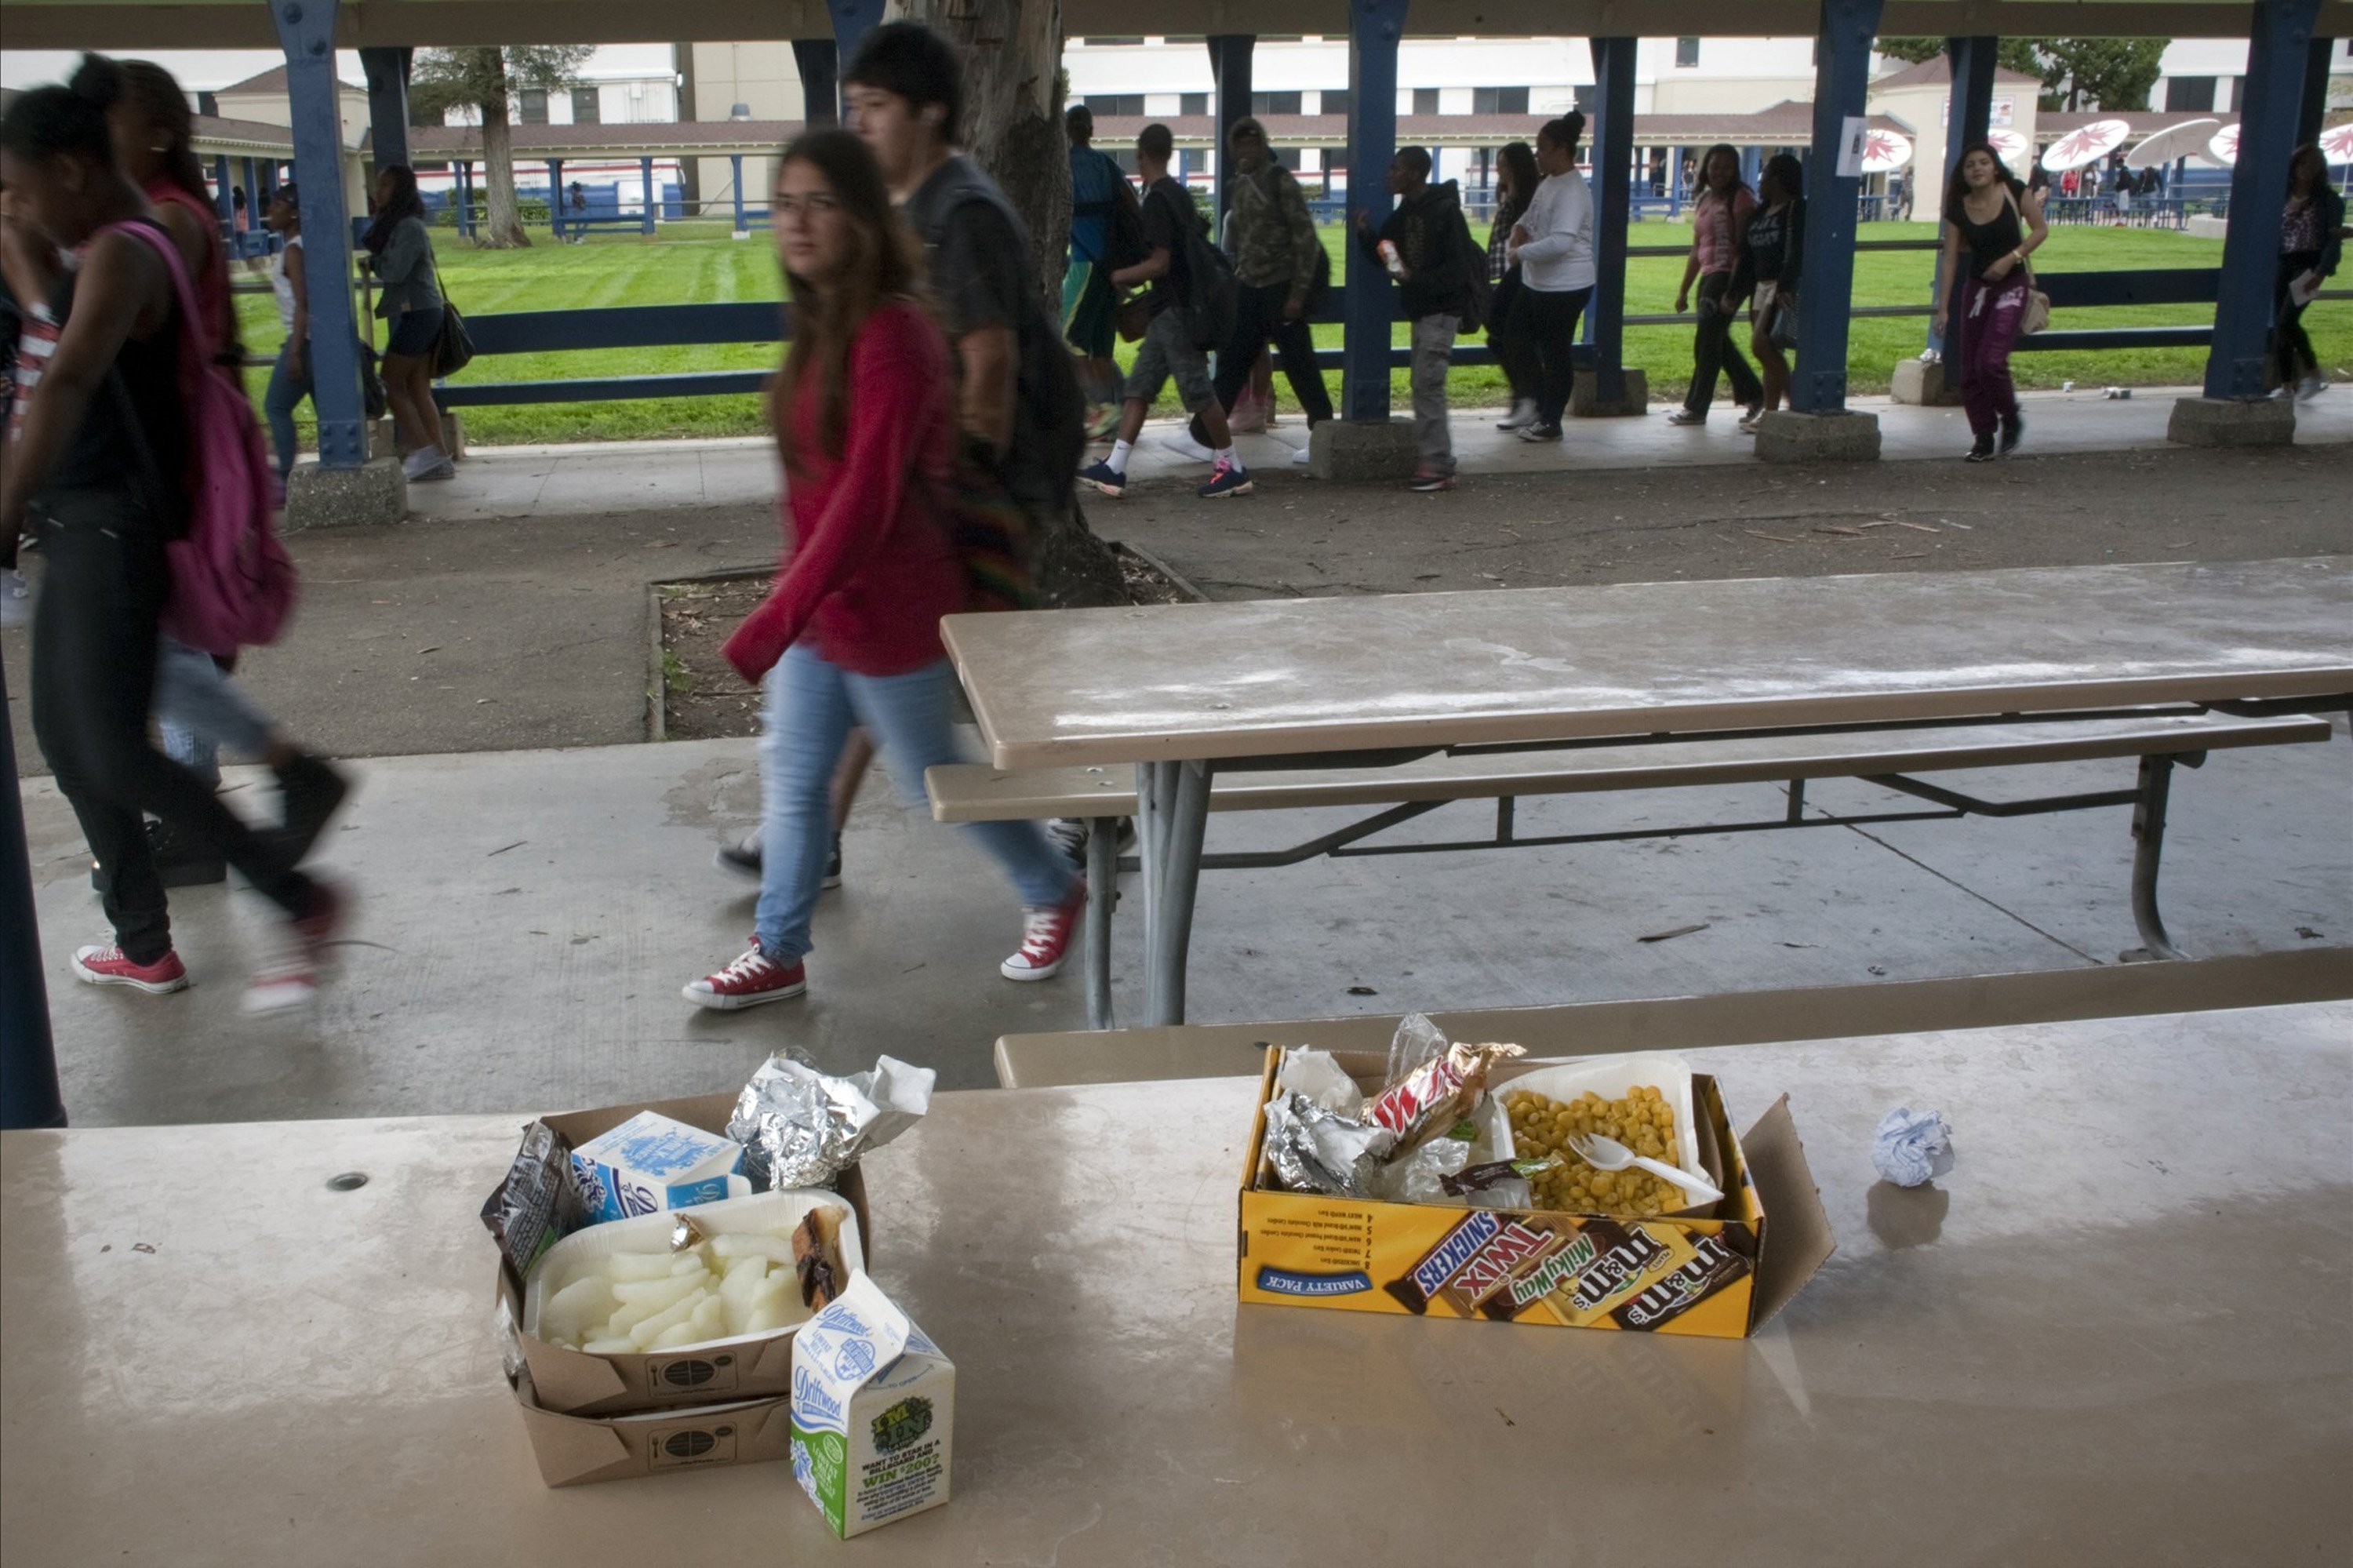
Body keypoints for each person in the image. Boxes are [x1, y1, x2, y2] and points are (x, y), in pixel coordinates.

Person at [681, 129, 1083, 1011]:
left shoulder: (895, 334)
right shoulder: (821, 325)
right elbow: (813, 505)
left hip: (897, 610)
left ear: (863, 218)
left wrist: (772, 618)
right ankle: (779, 950)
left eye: (821, 202)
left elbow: (866, 502)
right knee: (793, 777)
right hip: (830, 611)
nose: (798, 221)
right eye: (786, 203)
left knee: (933, 775)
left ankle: (1053, 889)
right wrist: (798, 610)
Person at [0, 82, 343, 1010]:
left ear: (72, 169)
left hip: (110, 530)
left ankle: (295, 891)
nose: (18, 209)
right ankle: (155, 934)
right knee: (75, 747)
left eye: (24, 191)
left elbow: (66, 380)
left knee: (106, 748)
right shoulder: (103, 248)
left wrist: (3, 510)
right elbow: (50, 337)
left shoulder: (130, 248)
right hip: (81, 529)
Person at [1076, 122, 1251, 499]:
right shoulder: (1178, 194)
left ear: (1142, 155)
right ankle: (1115, 468)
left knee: (1197, 389)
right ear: (1168, 153)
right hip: (1171, 308)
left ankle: (1231, 465)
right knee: (1139, 386)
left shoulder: (1156, 200)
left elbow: (1160, 263)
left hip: (1177, 309)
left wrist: (1117, 275)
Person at [1213, 115, 1331, 466]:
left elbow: (1305, 239)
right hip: (1250, 286)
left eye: (1253, 143)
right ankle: (1208, 434)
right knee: (1233, 361)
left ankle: (1323, 433)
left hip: (1282, 287)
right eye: (1241, 144)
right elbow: (1243, 239)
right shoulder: (1239, 185)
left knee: (1301, 365)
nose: (1247, 150)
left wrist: (1298, 294)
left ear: (1263, 146)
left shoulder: (1281, 182)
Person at [1355, 145, 1474, 492]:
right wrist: (1367, 236)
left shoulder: (1444, 212)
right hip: (1423, 311)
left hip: (1441, 311)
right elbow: (1387, 251)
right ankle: (1435, 461)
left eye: (1397, 169)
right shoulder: (1405, 213)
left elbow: (1456, 269)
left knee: (1428, 386)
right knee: (1424, 385)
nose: (1390, 175)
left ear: (1415, 173)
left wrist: (1413, 280)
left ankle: (1438, 463)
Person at [1933, 140, 2046, 462]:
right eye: (1970, 165)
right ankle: (1982, 436)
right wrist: (1943, 308)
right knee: (1970, 369)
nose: (1977, 169)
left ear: (1995, 167)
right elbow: (1951, 258)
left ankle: (2010, 416)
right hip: (1977, 289)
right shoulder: (1958, 207)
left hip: (2012, 284)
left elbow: (2040, 230)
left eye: (1984, 162)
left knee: (1991, 361)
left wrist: (2012, 258)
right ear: (1963, 174)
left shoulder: (2014, 190)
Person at [1503, 113, 1595, 443]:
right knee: (1512, 334)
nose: (1537, 155)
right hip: (1537, 283)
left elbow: (1562, 241)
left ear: (1561, 149)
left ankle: (1550, 419)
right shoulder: (1550, 182)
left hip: (1565, 285)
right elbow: (1532, 215)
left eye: (1542, 148)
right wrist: (1519, 228)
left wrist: (1520, 254)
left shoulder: (1572, 189)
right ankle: (1536, 402)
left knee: (1556, 352)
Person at [363, 164, 453, 482]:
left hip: (420, 313)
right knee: (417, 386)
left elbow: (395, 271)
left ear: (400, 190)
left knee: (389, 382)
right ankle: (440, 457)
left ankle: (425, 450)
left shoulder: (409, 227)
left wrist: (374, 262)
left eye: (386, 185)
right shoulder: (404, 225)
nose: (379, 191)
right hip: (421, 311)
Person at [1667, 143, 1761, 427]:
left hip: (1727, 275)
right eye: (1714, 166)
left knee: (1707, 343)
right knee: (1716, 340)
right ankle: (1755, 393)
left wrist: (1734, 289)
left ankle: (1696, 407)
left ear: (1735, 171)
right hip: (1709, 275)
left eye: (1726, 167)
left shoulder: (1742, 199)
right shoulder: (1705, 201)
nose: (1719, 172)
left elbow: (1744, 247)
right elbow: (1697, 249)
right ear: (1705, 168)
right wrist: (1684, 289)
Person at [1061, 104, 1128, 434]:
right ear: (1091, 130)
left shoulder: (1064, 165)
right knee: (1101, 350)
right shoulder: (1107, 165)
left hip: (1084, 264)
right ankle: (1112, 413)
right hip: (1109, 269)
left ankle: (1099, 410)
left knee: (1067, 341)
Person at [1732, 151, 1805, 435]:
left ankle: (1797, 402)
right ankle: (1772, 414)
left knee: (1760, 344)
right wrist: (1736, 288)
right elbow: (1747, 255)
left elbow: (1796, 249)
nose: (1761, 181)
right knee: (1769, 352)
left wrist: (1786, 284)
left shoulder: (1797, 209)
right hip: (1760, 285)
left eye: (1767, 175)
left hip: (1780, 283)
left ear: (1781, 179)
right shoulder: (1760, 213)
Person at [2273, 143, 2346, 402]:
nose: (2307, 170)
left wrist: (2321, 272)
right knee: (2280, 325)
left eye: (2314, 166)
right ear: (2294, 167)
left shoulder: (2328, 201)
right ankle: (2286, 386)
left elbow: (2332, 240)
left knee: (2287, 320)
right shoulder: (2282, 196)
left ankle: (2314, 374)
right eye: (2303, 164)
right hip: (2283, 263)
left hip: (2308, 265)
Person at [1485, 140, 1542, 430]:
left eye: (1506, 164)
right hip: (1509, 270)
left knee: (1510, 333)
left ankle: (1528, 398)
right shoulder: (1510, 196)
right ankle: (1525, 397)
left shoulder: (1533, 197)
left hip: (1523, 270)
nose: (1501, 170)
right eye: (1499, 164)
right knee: (1498, 334)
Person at [260, 182, 309, 482]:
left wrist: (294, 351)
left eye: (277, 206)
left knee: (275, 406)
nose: (270, 210)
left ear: (294, 214)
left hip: (301, 339)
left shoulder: (294, 250)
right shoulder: (299, 245)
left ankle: (287, 476)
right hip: (310, 340)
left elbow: (302, 302)